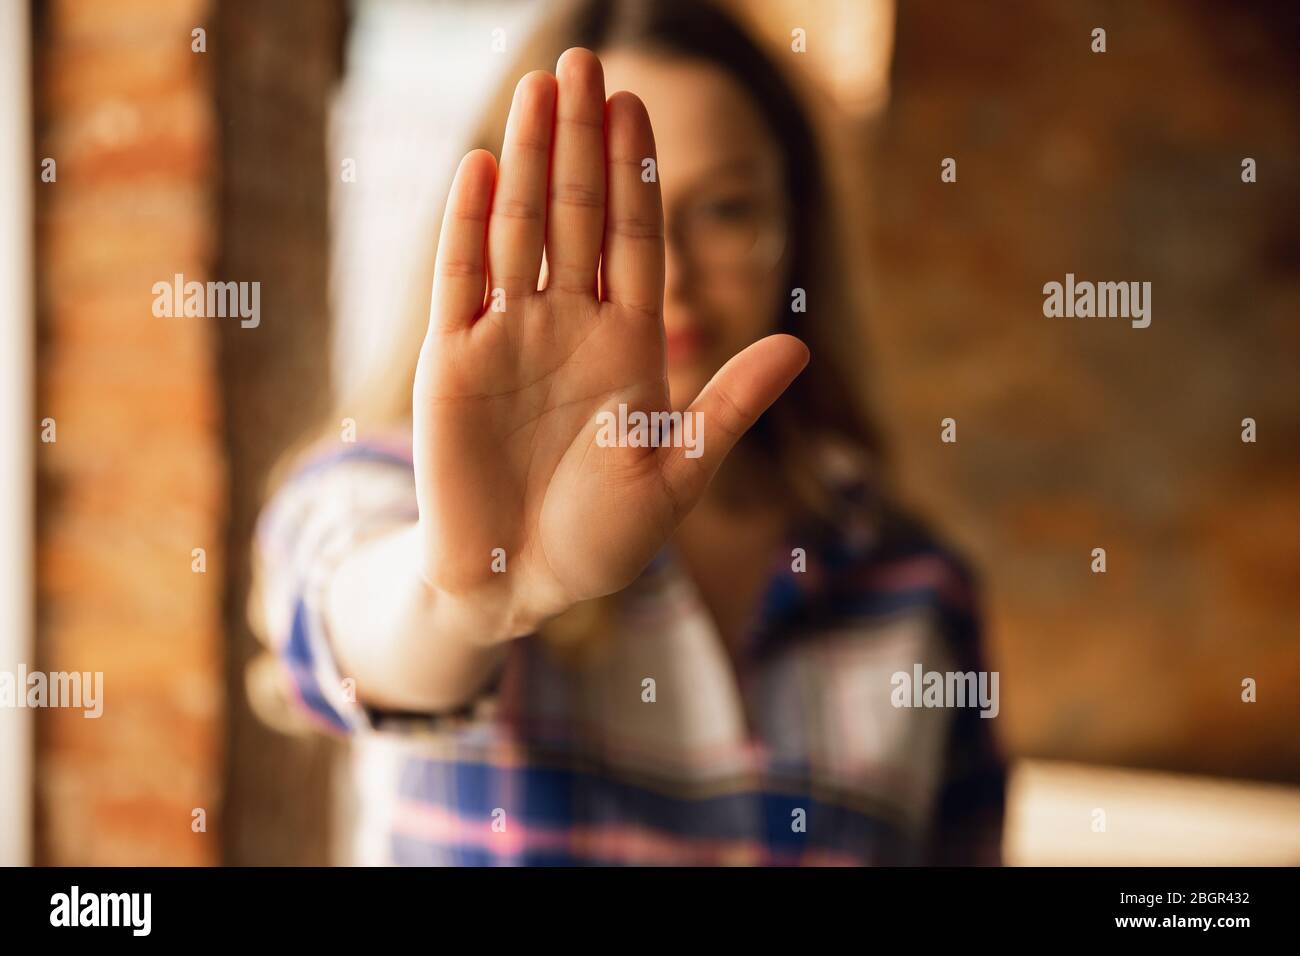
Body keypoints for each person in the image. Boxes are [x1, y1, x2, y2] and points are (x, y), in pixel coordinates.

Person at [251, 0, 1005, 866]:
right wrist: (463, 596)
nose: (674, 274)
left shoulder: (916, 585)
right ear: (519, 225)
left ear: (796, 235)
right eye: (616, 214)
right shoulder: (399, 493)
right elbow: (348, 626)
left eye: (725, 210)